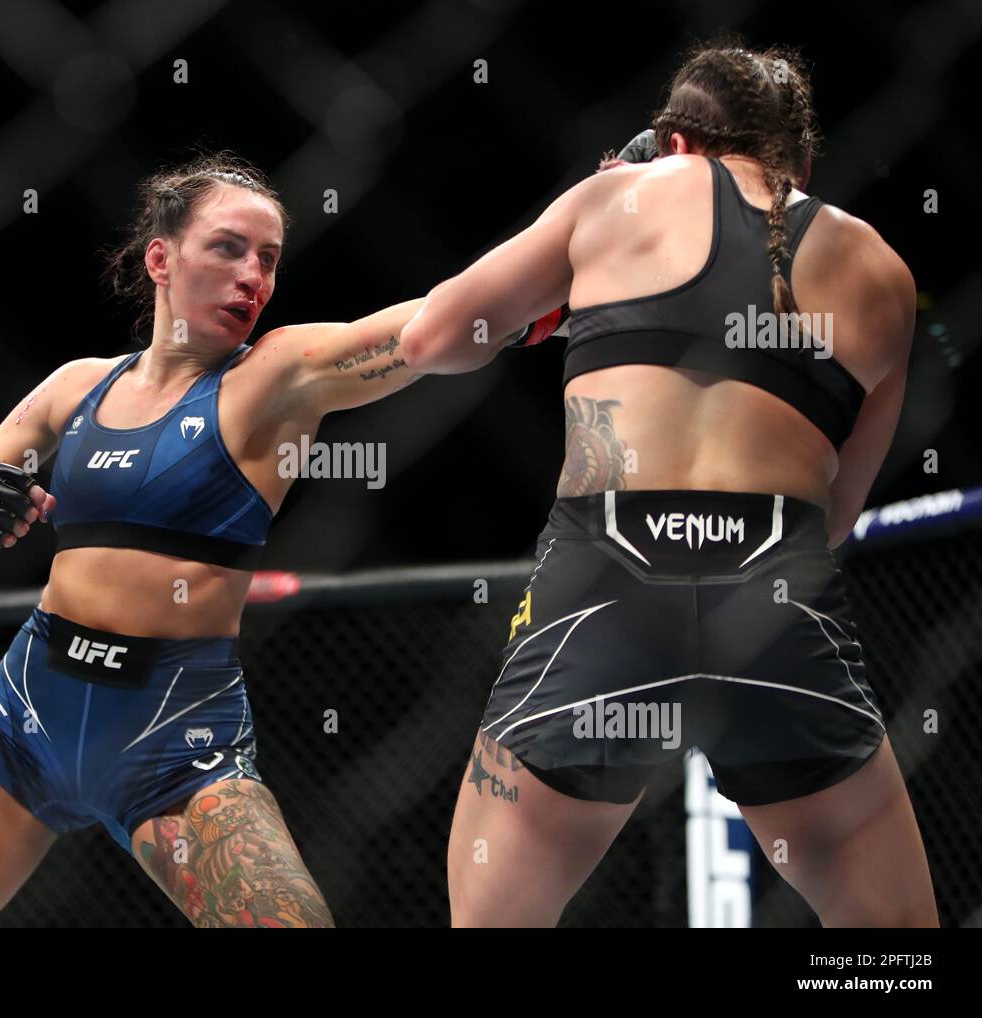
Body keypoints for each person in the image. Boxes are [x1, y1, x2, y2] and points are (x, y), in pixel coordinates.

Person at [400, 43, 938, 927]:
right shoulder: (880, 269)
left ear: (675, 141)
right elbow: (836, 519)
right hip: (775, 596)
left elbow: (433, 339)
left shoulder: (623, 196)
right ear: (800, 162)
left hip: (605, 581)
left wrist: (561, 289)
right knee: (894, 949)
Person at [0, 153, 427, 927]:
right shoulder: (77, 387)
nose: (253, 277)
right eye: (229, 247)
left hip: (174, 743)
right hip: (24, 723)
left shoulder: (273, 378)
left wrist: (578, 243)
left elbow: (438, 323)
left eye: (268, 259)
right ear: (161, 258)